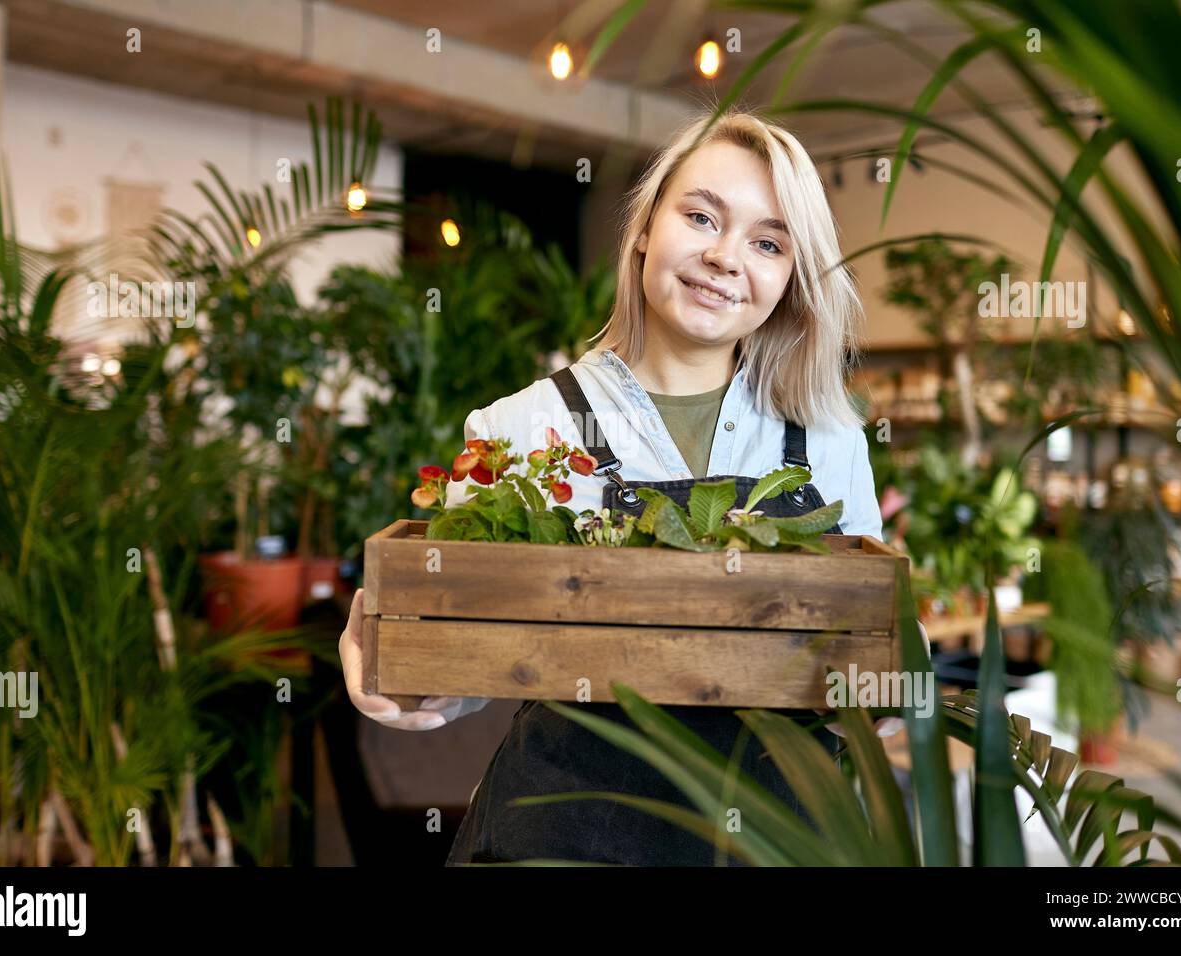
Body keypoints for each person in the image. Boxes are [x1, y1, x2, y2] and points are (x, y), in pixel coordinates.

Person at [339, 107, 919, 865]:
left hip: (775, 840)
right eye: (701, 216)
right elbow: (464, 659)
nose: (725, 256)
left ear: (790, 278)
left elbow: (871, 642)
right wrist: (402, 664)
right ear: (646, 227)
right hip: (563, 832)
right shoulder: (524, 427)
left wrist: (885, 688)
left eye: (768, 242)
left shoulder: (830, 435)